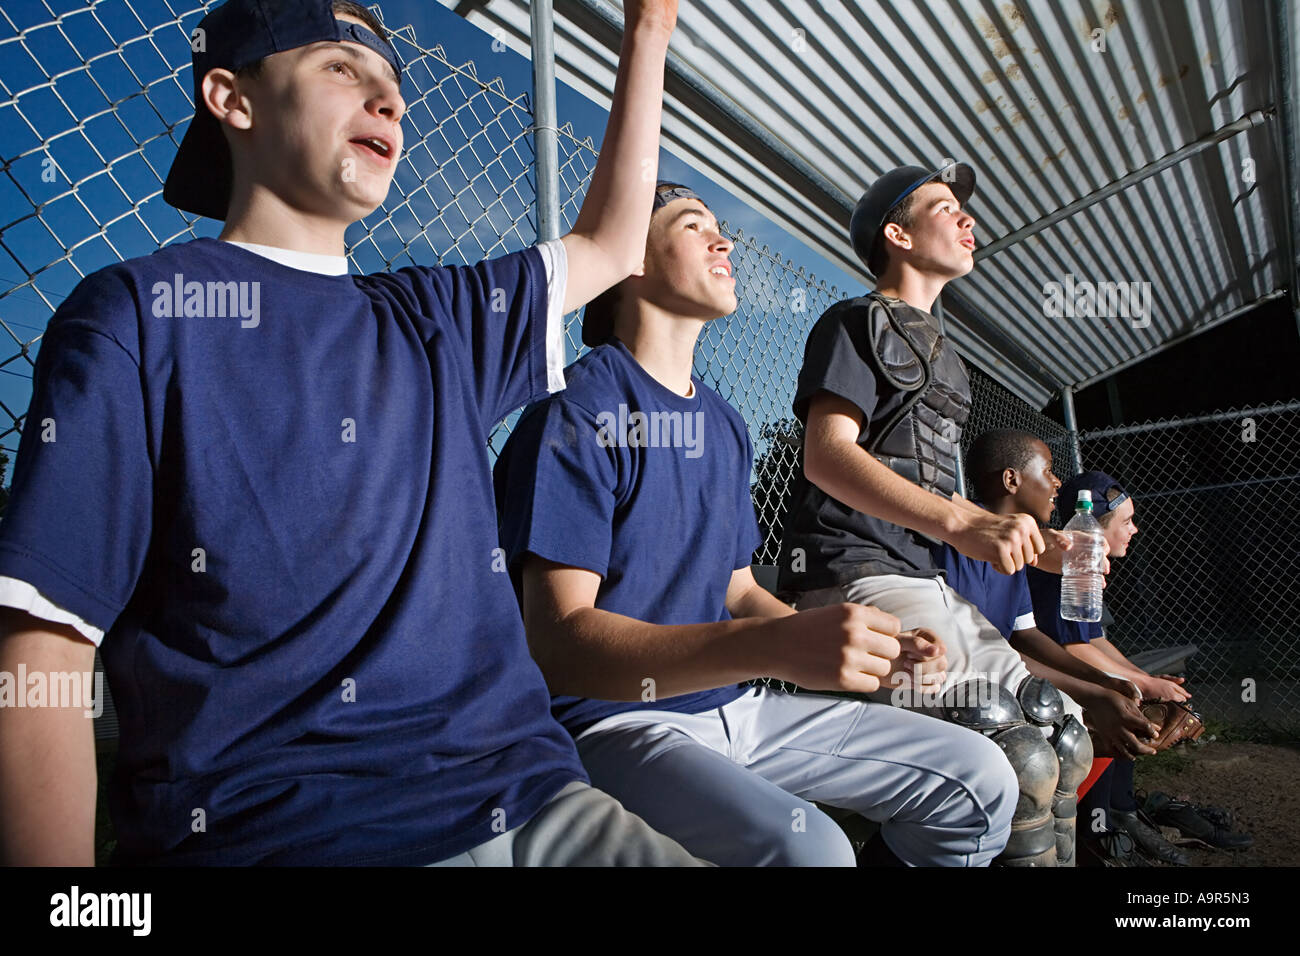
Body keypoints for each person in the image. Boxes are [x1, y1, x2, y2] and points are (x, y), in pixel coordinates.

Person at [0, 0, 705, 866]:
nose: (388, 100)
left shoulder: (437, 317)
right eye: (341, 68)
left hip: (528, 800)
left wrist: (649, 32)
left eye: (395, 87)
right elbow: (46, 638)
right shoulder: (140, 315)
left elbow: (608, 242)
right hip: (284, 830)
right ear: (232, 98)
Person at [493, 181, 1019, 867]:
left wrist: (864, 647)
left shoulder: (724, 422)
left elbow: (739, 586)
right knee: (814, 852)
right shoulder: (576, 412)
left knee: (983, 780)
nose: (724, 240)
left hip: (736, 706)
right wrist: (771, 648)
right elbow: (559, 643)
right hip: (612, 722)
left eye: (721, 226)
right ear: (631, 262)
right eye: (693, 225)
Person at [775, 162, 1091, 865]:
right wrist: (960, 524)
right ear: (898, 234)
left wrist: (1027, 541)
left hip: (925, 581)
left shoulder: (947, 357)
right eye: (945, 207)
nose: (967, 219)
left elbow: (937, 492)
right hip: (856, 576)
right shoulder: (853, 321)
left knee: (1062, 732)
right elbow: (826, 456)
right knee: (1004, 741)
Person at [1028, 470, 1193, 866]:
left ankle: (1120, 816)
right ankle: (1098, 833)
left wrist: (1141, 678)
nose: (1134, 529)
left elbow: (1093, 639)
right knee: (1117, 709)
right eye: (1126, 522)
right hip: (1044, 683)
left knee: (1129, 695)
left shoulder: (1084, 563)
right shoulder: (1066, 569)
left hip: (1060, 671)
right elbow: (1074, 647)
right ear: (1097, 529)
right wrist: (1136, 683)